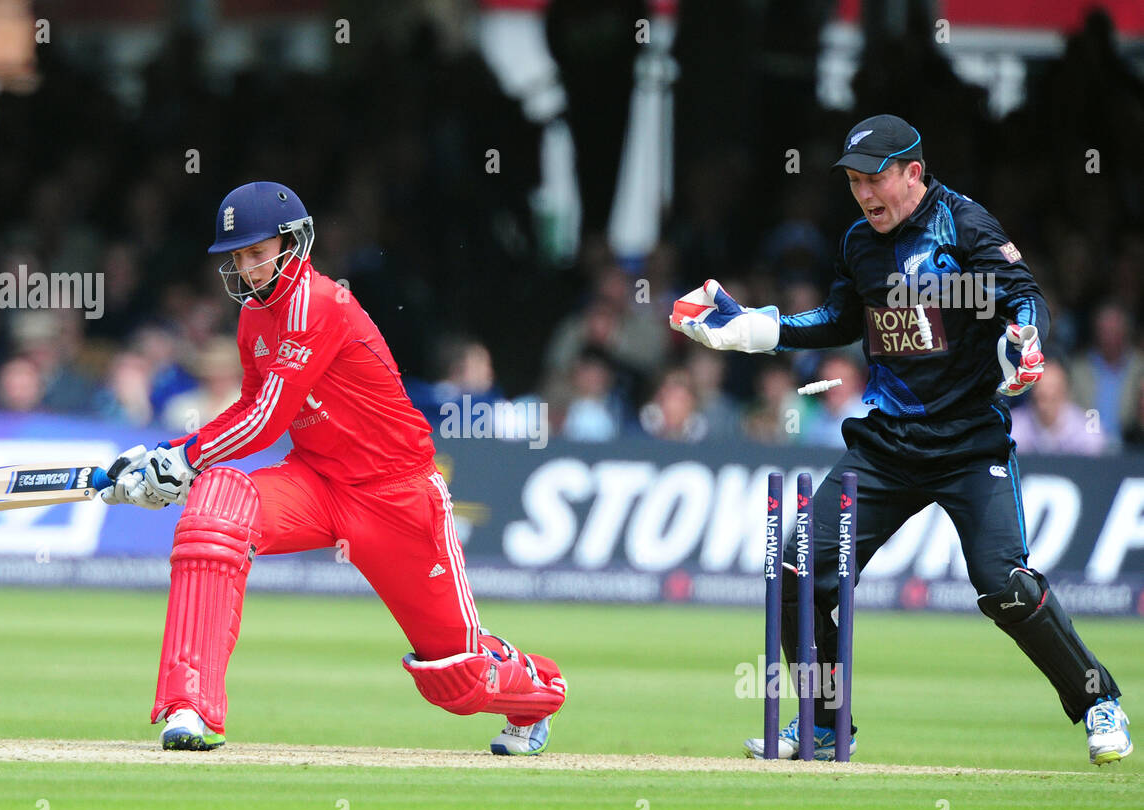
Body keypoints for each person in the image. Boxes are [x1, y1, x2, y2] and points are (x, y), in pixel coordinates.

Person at [671, 115, 1130, 765]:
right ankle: (826, 727)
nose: (863, 194)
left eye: (875, 179)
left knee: (1006, 586)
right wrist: (753, 327)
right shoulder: (861, 242)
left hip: (969, 444)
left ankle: (1099, 703)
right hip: (886, 442)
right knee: (797, 572)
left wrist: (1024, 341)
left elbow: (1026, 298)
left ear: (914, 173)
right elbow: (838, 319)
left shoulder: (963, 225)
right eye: (854, 181)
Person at [101, 182, 567, 755]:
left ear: (293, 242)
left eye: (256, 252)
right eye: (237, 257)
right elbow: (248, 407)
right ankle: (189, 706)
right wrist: (164, 458)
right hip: (317, 483)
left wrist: (181, 459)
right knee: (216, 507)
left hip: (397, 496)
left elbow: (269, 419)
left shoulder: (319, 303)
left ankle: (538, 690)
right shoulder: (255, 318)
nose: (247, 269)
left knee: (456, 681)